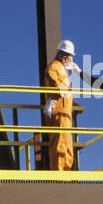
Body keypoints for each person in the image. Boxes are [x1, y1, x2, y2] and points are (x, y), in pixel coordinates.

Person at [42, 39, 81, 171]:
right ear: (65, 56)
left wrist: (73, 103)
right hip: (58, 112)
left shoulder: (61, 69)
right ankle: (59, 174)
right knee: (60, 144)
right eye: (70, 57)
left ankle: (66, 172)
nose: (71, 59)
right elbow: (57, 87)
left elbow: (65, 92)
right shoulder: (54, 67)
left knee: (66, 144)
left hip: (65, 113)